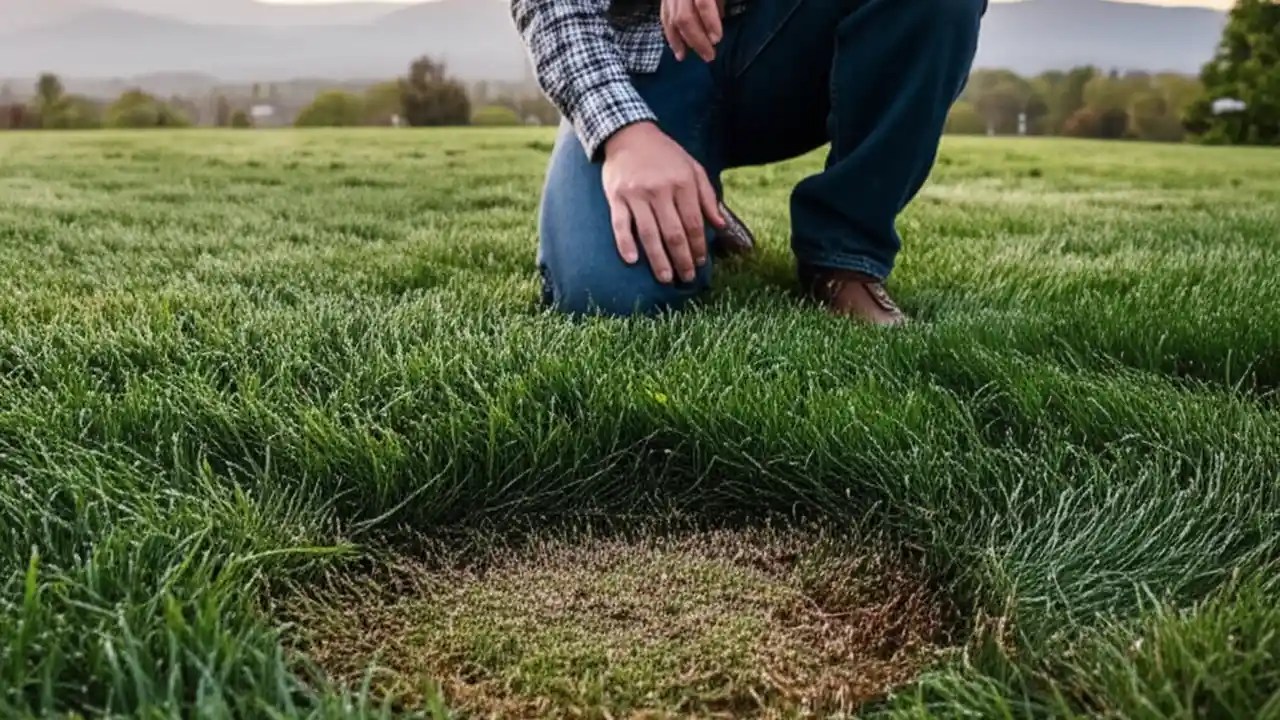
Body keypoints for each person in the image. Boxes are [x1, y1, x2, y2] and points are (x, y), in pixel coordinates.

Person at [512, 0, 987, 324]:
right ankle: (700, 208)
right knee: (608, 297)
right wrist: (622, 133)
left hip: (783, 42)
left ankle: (845, 253)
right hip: (640, 64)